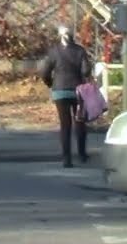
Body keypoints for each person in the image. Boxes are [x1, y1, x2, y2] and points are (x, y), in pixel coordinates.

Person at [37, 24, 91, 168]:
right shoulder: (80, 50)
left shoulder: (54, 51)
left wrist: (50, 83)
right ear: (73, 35)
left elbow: (44, 71)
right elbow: (86, 70)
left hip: (60, 90)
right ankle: (82, 154)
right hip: (78, 90)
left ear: (59, 36)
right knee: (80, 122)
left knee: (65, 125)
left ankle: (67, 159)